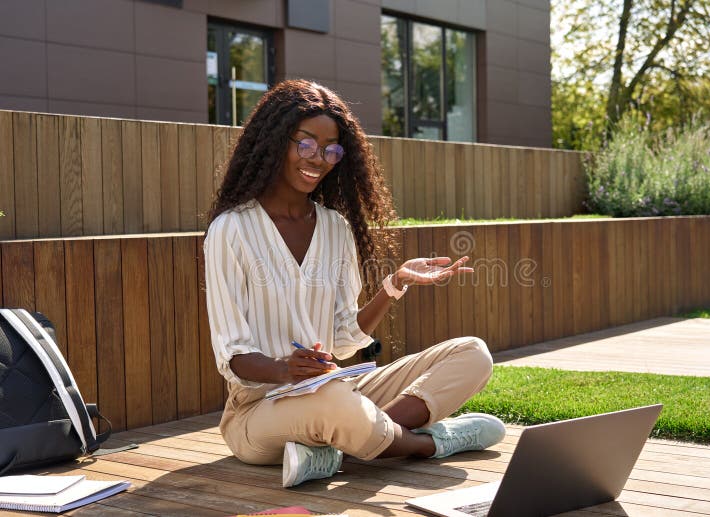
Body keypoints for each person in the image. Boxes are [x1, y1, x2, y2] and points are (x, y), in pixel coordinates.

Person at [204, 79, 505, 488]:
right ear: (274, 140)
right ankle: (428, 443)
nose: (320, 158)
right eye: (306, 143)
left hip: (339, 390)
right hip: (259, 411)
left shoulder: (335, 228)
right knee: (335, 404)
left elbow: (345, 340)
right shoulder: (231, 230)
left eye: (332, 149)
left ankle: (341, 445)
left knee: (474, 353)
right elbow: (232, 355)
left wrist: (394, 285)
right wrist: (283, 369)